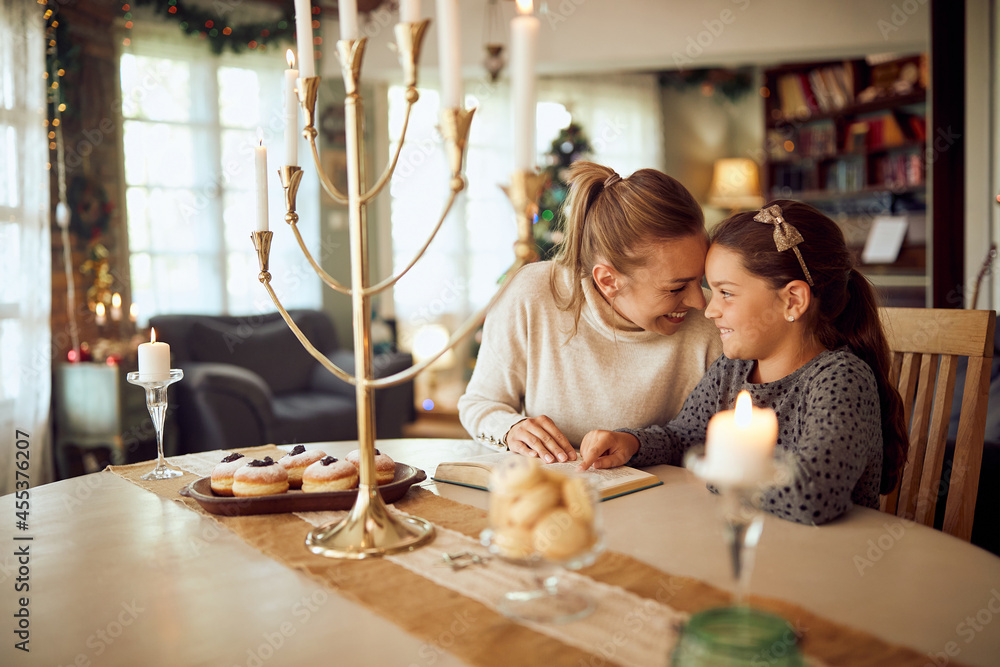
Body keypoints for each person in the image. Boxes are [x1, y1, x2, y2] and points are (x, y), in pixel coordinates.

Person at [578, 200, 909, 525]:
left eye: (726, 293)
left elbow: (813, 495)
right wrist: (632, 443)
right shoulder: (733, 369)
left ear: (792, 300)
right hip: (753, 549)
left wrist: (714, 471)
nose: (709, 309)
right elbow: (685, 438)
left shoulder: (841, 380)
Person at [458, 162, 723, 463]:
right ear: (608, 281)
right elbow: (479, 403)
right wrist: (510, 428)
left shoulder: (715, 320)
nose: (701, 303)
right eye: (676, 288)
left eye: (699, 280)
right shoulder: (533, 294)